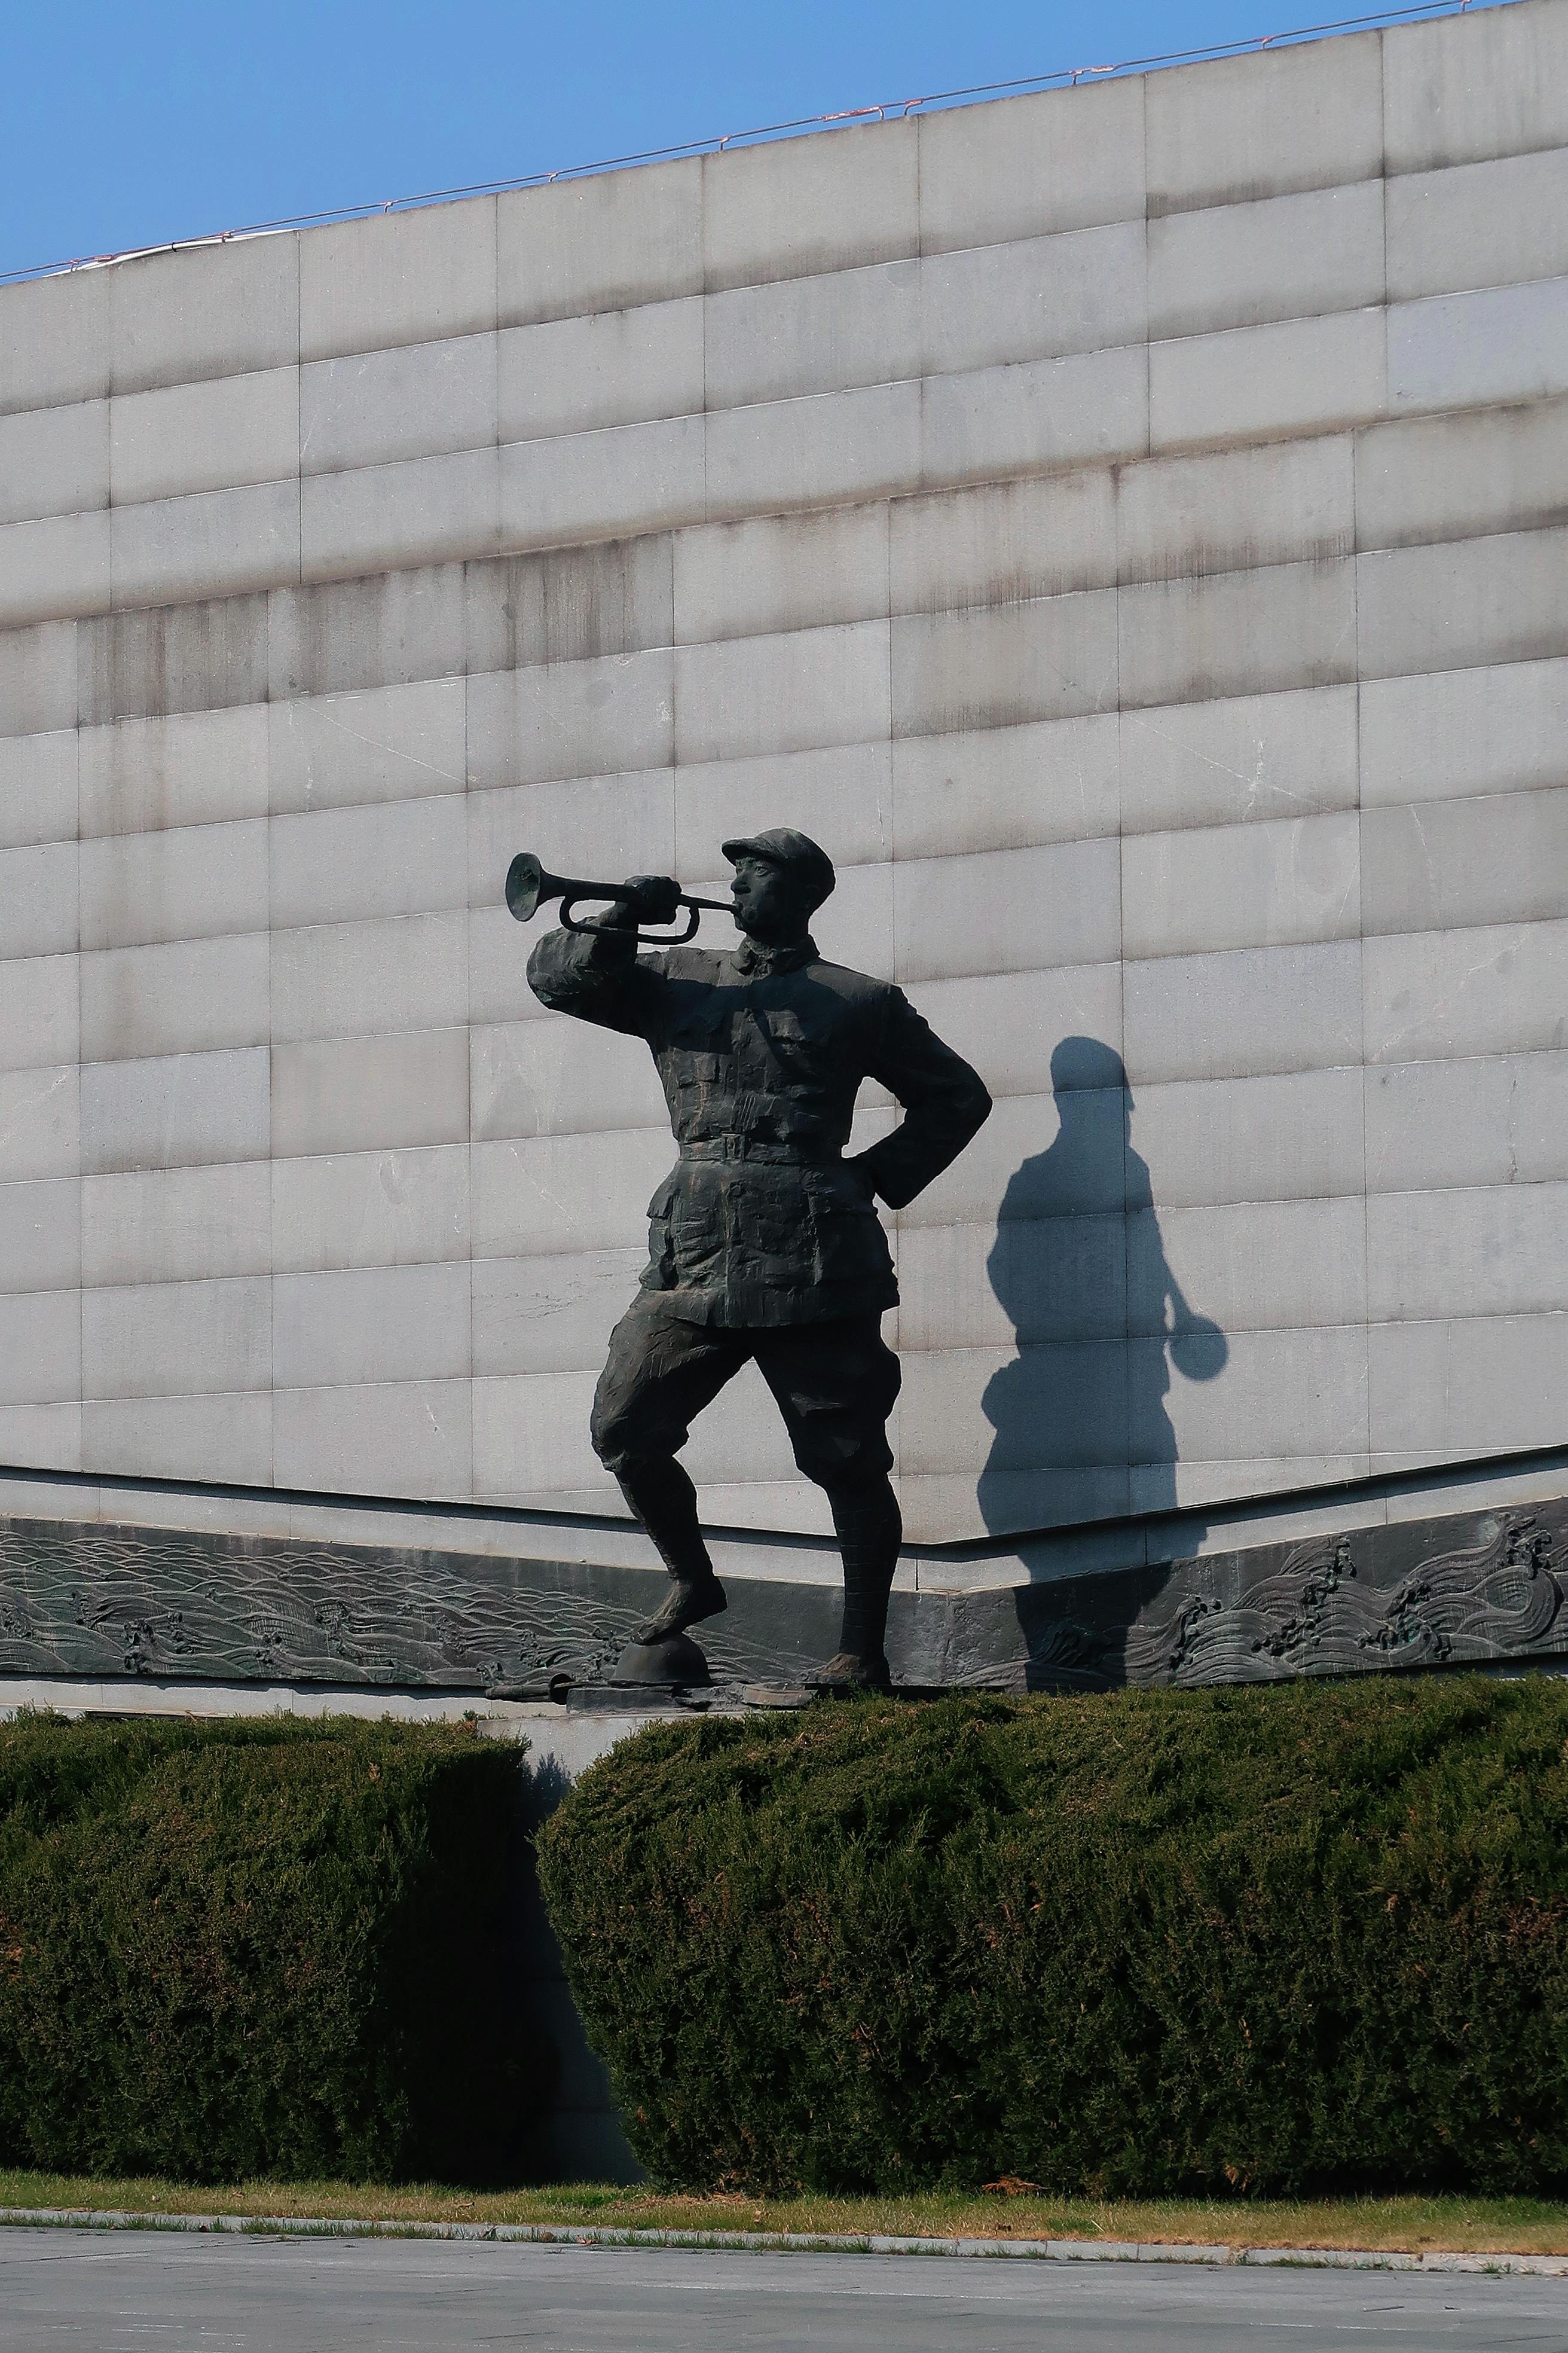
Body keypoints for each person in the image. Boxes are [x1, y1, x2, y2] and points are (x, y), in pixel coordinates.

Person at [527, 828, 992, 1687]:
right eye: (736, 873)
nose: (736, 885)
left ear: (804, 893)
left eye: (756, 873)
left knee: (846, 1456)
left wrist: (871, 1177)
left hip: (814, 1254)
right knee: (624, 1429)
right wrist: (623, 917)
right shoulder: (677, 977)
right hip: (695, 1249)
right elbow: (560, 981)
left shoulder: (857, 999)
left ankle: (861, 1652)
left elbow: (957, 1096)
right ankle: (693, 1579)